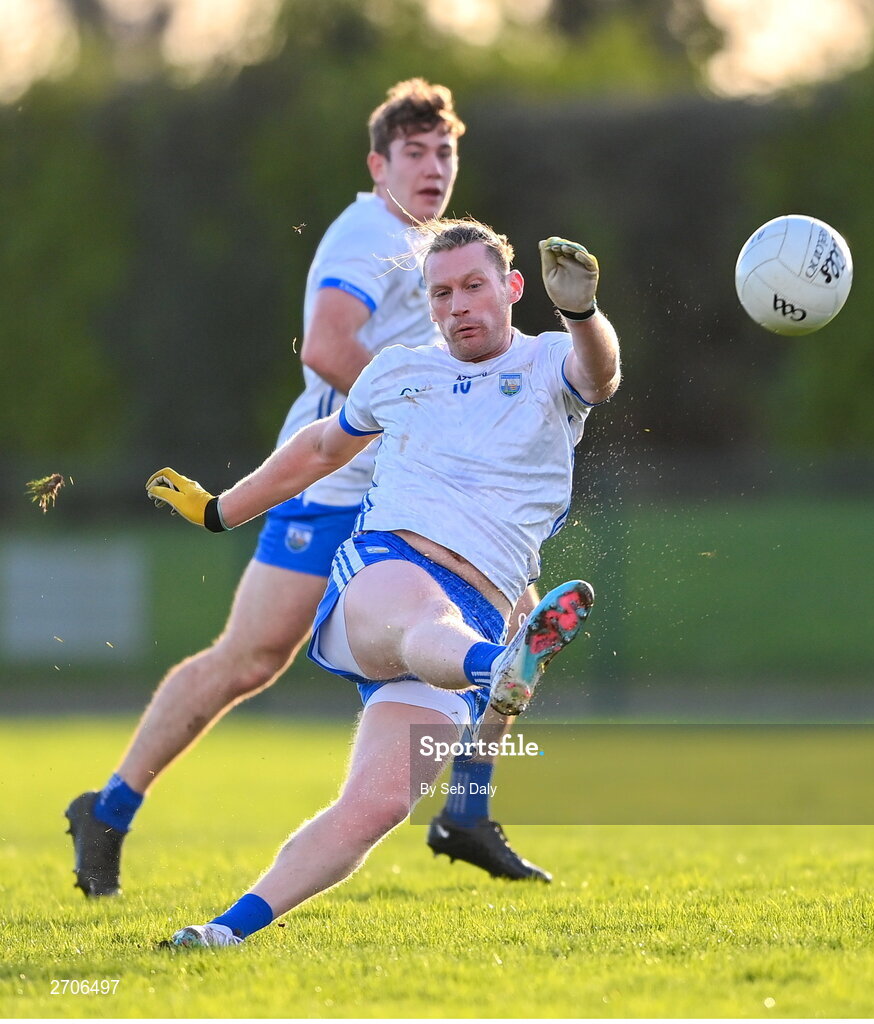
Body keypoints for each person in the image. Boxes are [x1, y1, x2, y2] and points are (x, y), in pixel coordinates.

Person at [64, 79, 549, 900]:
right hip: (334, 488)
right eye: (414, 153)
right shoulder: (368, 230)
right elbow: (327, 346)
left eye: (445, 151)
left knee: (521, 615)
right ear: (377, 163)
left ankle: (465, 809)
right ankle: (108, 808)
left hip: (407, 492)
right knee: (250, 658)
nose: (433, 167)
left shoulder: (434, 245)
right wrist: (424, 418)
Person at [145, 218, 621, 947]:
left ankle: (222, 931)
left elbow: (602, 375)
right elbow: (317, 448)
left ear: (512, 287)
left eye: (472, 286)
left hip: (478, 614)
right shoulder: (402, 367)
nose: (457, 305)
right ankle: (498, 668)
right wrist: (217, 511)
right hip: (384, 573)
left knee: (373, 810)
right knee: (425, 617)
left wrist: (583, 311)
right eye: (440, 293)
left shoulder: (552, 359)